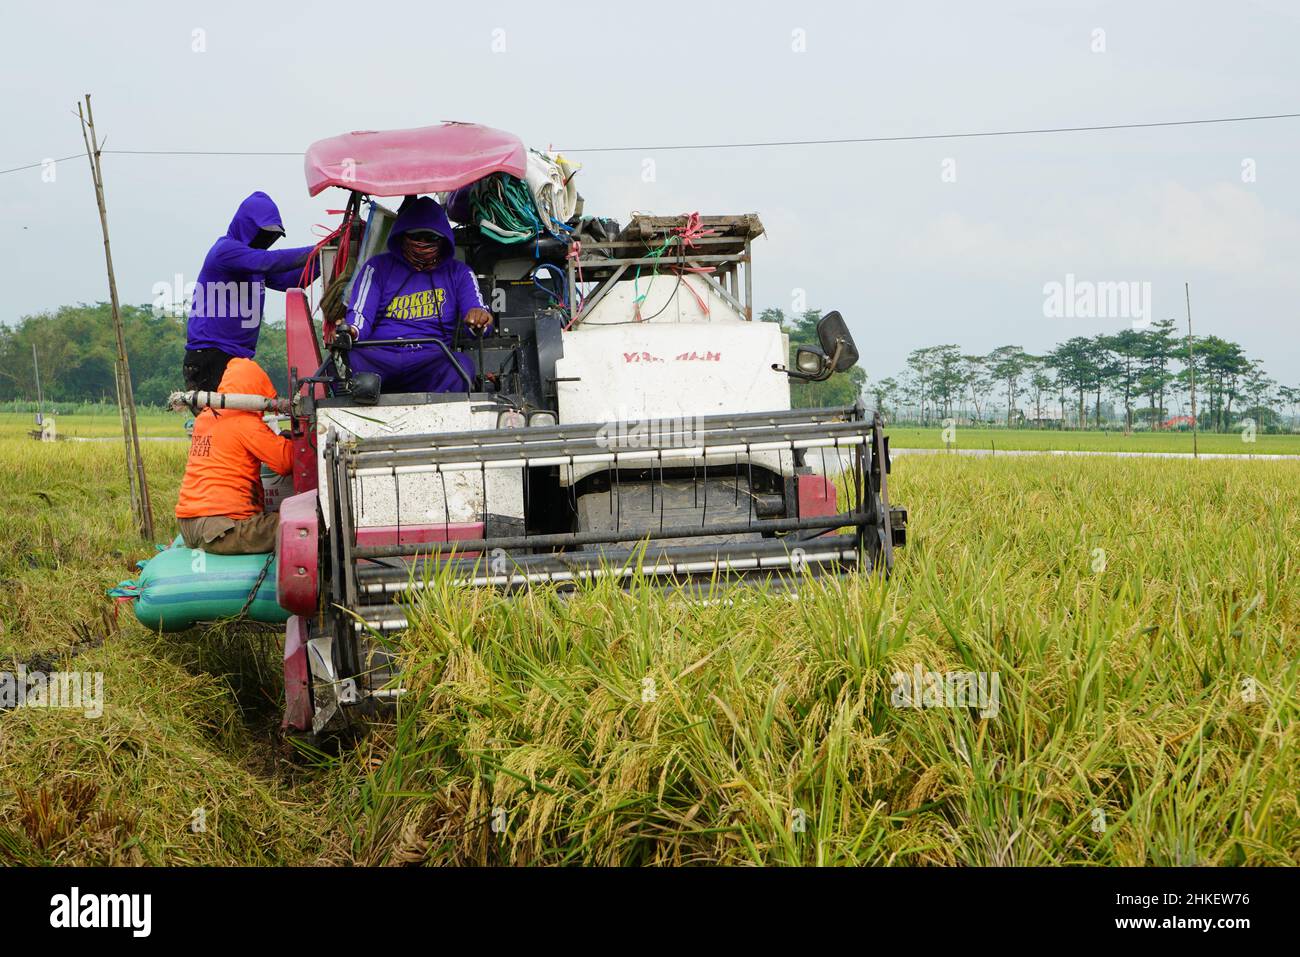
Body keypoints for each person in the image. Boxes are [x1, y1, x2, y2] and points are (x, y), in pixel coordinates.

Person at [337, 195, 492, 393]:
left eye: (430, 238)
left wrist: (479, 318)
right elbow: (360, 316)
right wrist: (351, 331)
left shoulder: (459, 273)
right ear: (403, 236)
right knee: (345, 360)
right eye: (416, 237)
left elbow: (477, 315)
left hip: (430, 359)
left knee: (462, 366)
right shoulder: (377, 267)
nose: (422, 243)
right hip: (381, 358)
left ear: (443, 239)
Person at [184, 191, 318, 392]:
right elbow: (270, 260)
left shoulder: (256, 267)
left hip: (237, 360)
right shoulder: (226, 250)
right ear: (246, 226)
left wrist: (325, 259)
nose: (264, 239)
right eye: (261, 232)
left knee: (238, 421)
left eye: (269, 235)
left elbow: (293, 281)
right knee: (221, 421)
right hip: (210, 355)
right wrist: (318, 248)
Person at [175, 358, 292, 555]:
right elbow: (286, 461)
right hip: (221, 528)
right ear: (256, 393)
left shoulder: (205, 418)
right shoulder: (244, 422)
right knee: (301, 524)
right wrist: (300, 440)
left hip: (191, 525)